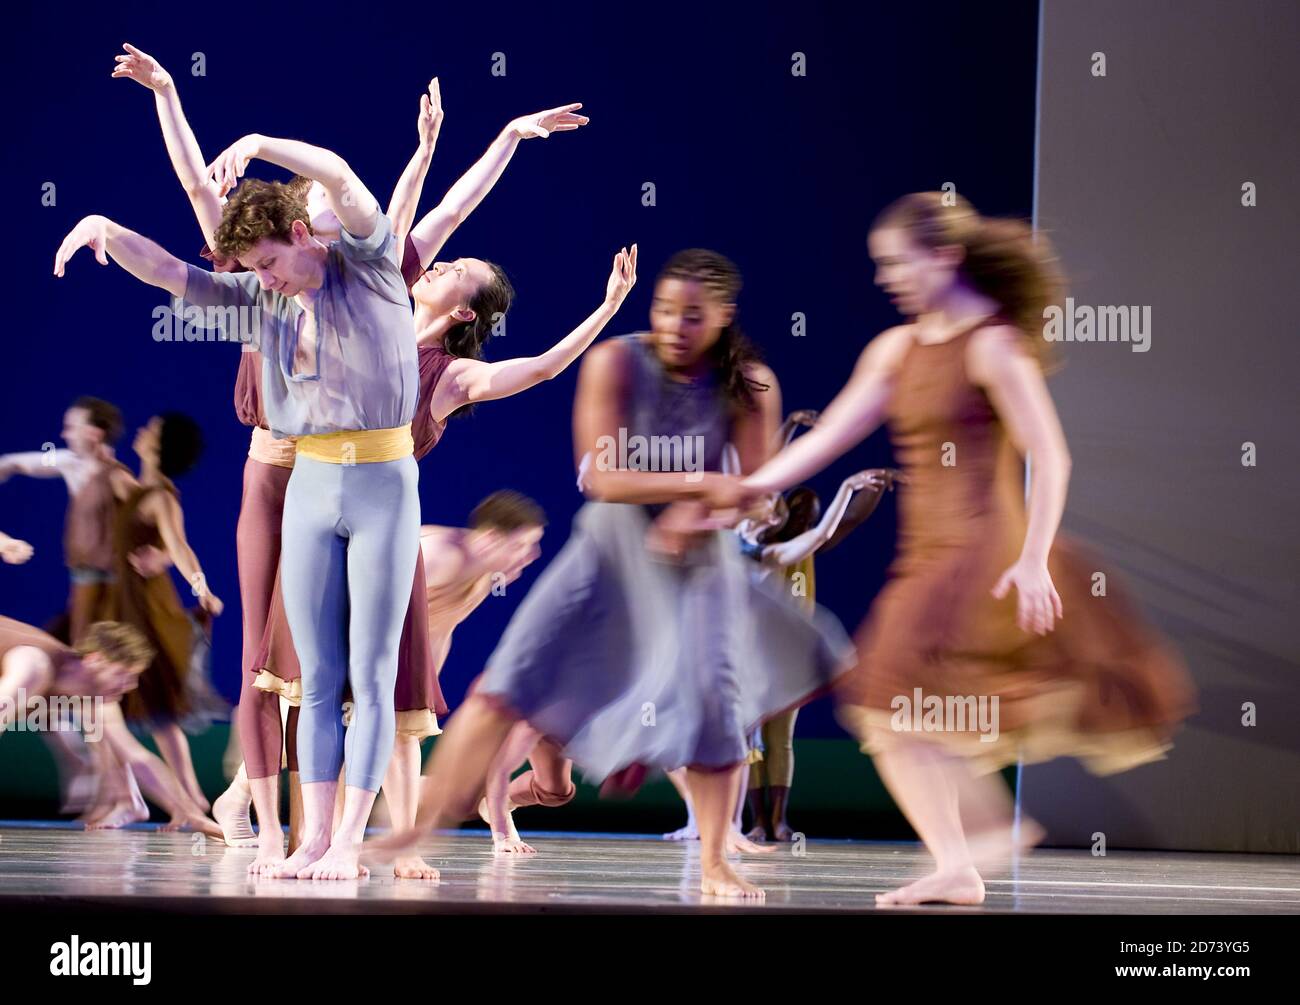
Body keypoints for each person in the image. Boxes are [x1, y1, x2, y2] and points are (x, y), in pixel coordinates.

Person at [738, 192, 1195, 905]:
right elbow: (830, 437)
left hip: (984, 547)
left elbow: (1052, 454)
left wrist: (1035, 556)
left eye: (898, 262)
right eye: (879, 265)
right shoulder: (895, 349)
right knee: (895, 714)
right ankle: (960, 859)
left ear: (945, 256)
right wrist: (743, 487)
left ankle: (979, 831)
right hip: (926, 552)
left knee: (887, 696)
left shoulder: (991, 343)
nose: (887, 277)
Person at [370, 249, 855, 899]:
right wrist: (701, 483)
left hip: (700, 557)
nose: (674, 325)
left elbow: (752, 488)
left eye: (693, 315)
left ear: (723, 317)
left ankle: (716, 858)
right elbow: (600, 475)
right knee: (507, 681)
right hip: (607, 546)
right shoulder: (617, 362)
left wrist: (714, 504)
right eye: (663, 310)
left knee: (717, 699)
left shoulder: (751, 384)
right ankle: (417, 828)